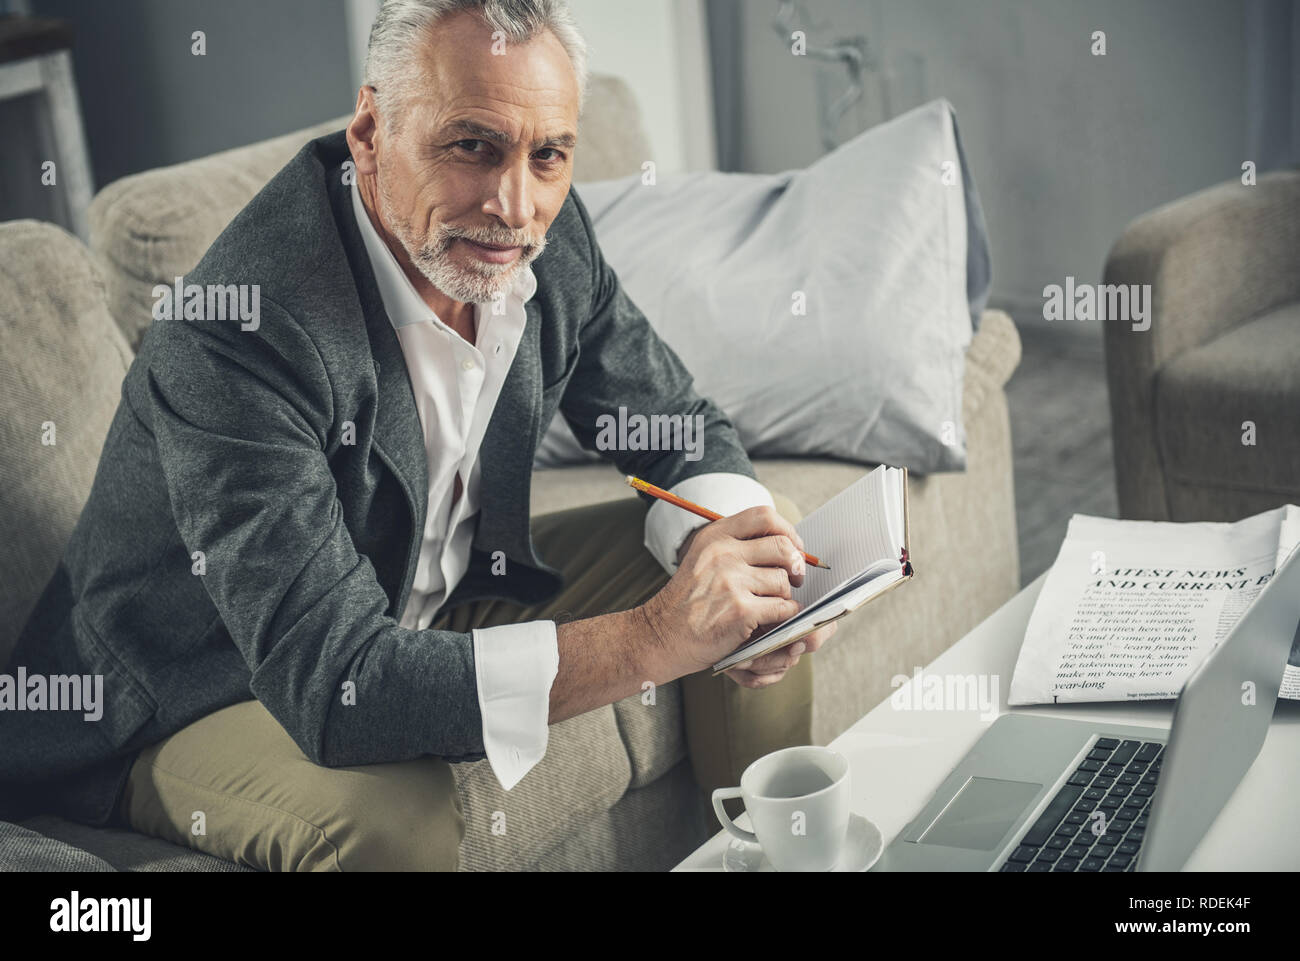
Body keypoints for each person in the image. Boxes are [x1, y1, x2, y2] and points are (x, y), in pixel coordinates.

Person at [0, 0, 834, 870]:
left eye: (547, 154)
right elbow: (334, 685)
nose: (515, 204)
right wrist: (658, 637)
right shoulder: (237, 334)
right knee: (396, 813)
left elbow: (672, 428)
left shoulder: (548, 241)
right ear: (370, 132)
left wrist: (735, 555)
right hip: (189, 693)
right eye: (472, 145)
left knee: (761, 567)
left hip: (421, 595)